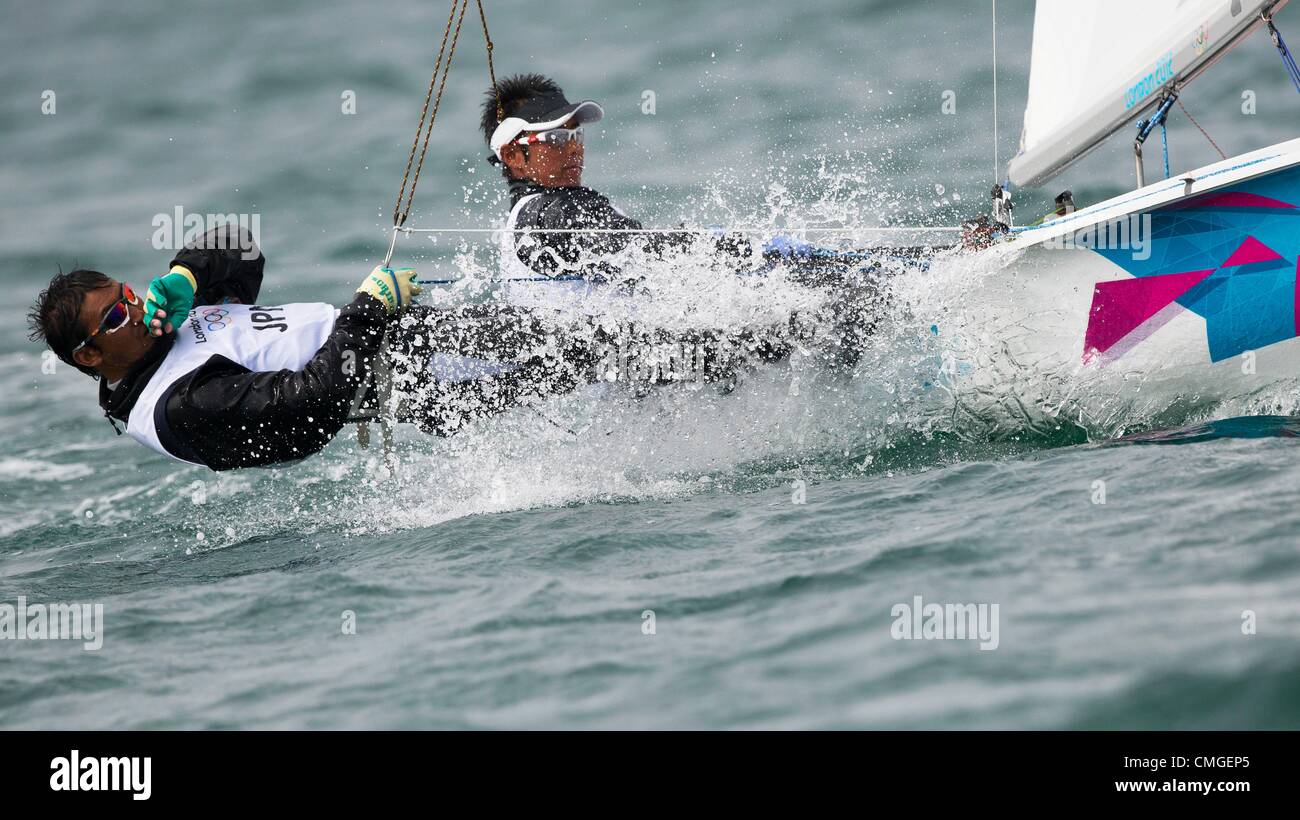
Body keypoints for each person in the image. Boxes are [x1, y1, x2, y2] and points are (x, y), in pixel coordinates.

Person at [27, 225, 810, 471]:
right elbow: (312, 407)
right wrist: (367, 312)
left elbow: (246, 253)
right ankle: (786, 348)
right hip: (410, 381)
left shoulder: (158, 328)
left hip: (407, 340)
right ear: (91, 357)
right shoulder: (175, 405)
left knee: (597, 343)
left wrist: (182, 280)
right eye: (117, 317)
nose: (136, 311)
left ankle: (759, 351)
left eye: (127, 295)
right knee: (596, 354)